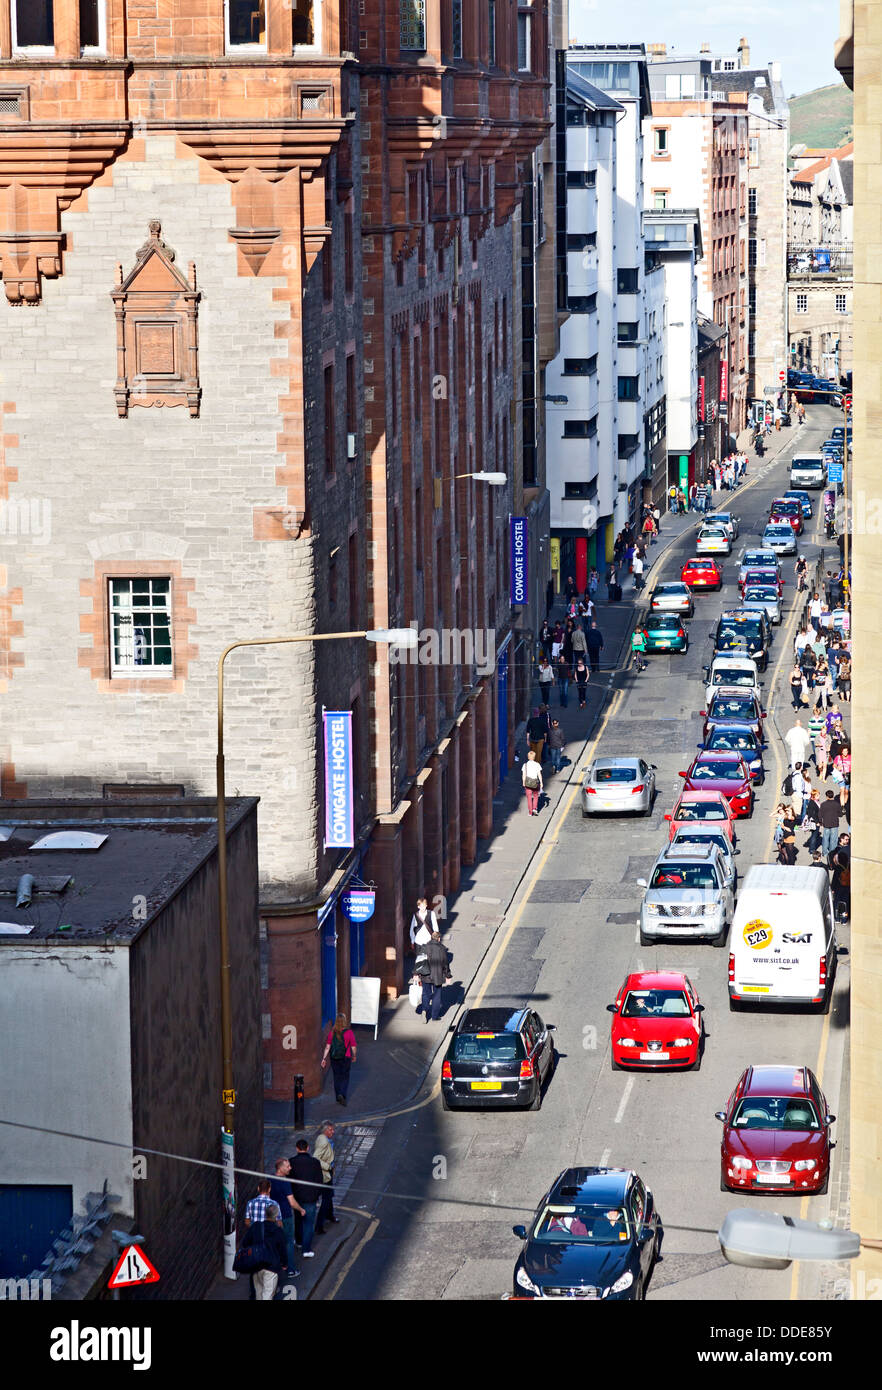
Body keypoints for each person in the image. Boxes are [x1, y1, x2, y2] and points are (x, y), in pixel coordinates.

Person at [268, 1156, 304, 1277]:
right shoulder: (285, 1182)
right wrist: (301, 1209)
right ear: (280, 1168)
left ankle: (274, 1270)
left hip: (273, 1217)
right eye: (288, 1166)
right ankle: (290, 1269)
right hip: (285, 1217)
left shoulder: (270, 1180)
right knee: (288, 1242)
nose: (290, 1168)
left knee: (275, 1243)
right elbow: (292, 1202)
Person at [289, 1137, 324, 1257]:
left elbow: (289, 1180)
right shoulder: (315, 1162)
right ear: (308, 1148)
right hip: (310, 1198)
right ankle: (306, 1249)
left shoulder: (291, 1162)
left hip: (296, 1197)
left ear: (297, 1148)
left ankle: (298, 1241)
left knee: (298, 1219)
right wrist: (316, 1194)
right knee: (308, 1223)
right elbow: (320, 1180)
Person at [251, 1204, 287, 1301]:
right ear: (276, 1215)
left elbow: (246, 1243)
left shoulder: (256, 1228)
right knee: (267, 1294)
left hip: (256, 1265)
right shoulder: (278, 1231)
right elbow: (283, 1250)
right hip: (271, 1267)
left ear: (266, 1214)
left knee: (259, 1293)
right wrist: (284, 1264)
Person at [321, 1013, 358, 1106]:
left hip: (334, 1058)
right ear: (344, 1021)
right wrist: (354, 1055)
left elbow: (327, 1047)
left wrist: (324, 1058)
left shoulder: (331, 1033)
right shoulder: (349, 1033)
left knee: (337, 1077)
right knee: (345, 1077)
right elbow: (353, 1047)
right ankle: (343, 1094)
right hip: (346, 1057)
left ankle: (338, 1096)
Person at [422, 930, 452, 1023]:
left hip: (425, 975)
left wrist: (416, 974)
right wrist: (448, 975)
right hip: (437, 976)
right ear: (439, 939)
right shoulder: (442, 949)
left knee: (426, 994)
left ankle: (424, 1010)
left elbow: (419, 961)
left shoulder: (425, 947)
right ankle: (434, 1016)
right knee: (436, 996)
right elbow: (445, 964)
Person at [314, 1122, 339, 1233]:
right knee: (326, 1199)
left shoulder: (322, 1138)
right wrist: (327, 1166)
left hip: (328, 1174)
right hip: (324, 1175)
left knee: (329, 1195)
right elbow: (315, 1158)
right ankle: (319, 1225)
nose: (333, 1131)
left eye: (333, 1129)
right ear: (325, 1130)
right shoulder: (324, 1142)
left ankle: (330, 1215)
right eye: (330, 1129)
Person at [819, 790, 841, 858]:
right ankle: (832, 853)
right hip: (835, 823)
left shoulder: (823, 804)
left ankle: (824, 852)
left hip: (826, 823)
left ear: (827, 796)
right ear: (833, 796)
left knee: (825, 838)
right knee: (833, 839)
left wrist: (820, 822)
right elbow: (840, 814)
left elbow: (820, 814)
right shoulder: (837, 804)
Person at [522, 748, 543, 817]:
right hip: (535, 783)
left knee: (529, 798)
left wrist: (523, 782)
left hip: (528, 783)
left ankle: (530, 812)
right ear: (534, 757)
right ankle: (534, 809)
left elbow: (524, 775)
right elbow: (539, 774)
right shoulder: (537, 764)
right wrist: (541, 782)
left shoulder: (525, 765)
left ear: (528, 757)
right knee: (536, 796)